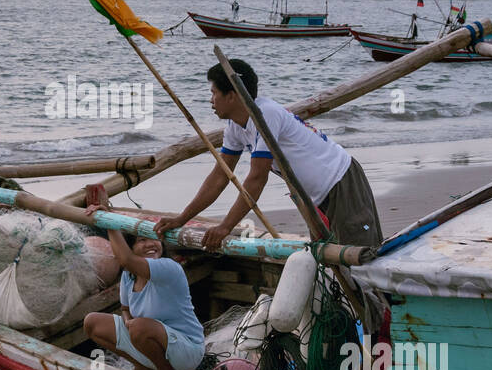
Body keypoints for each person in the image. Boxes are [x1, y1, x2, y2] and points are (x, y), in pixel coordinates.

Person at [153, 58, 383, 251]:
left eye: (214, 93)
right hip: (314, 198)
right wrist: (181, 218)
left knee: (359, 255)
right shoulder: (235, 127)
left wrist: (225, 227)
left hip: (341, 181)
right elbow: (219, 177)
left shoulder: (265, 115)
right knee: (329, 255)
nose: (211, 100)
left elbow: (256, 179)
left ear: (232, 95)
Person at [82, 201, 205, 370]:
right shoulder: (128, 277)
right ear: (132, 247)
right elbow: (125, 308)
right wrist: (128, 320)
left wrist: (109, 222)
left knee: (139, 327)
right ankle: (144, 367)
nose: (150, 244)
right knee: (92, 322)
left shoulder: (168, 268)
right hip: (150, 342)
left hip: (187, 351)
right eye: (141, 240)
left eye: (154, 239)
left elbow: (126, 260)